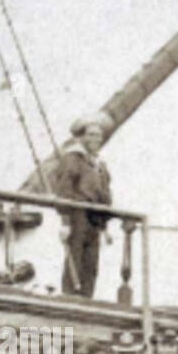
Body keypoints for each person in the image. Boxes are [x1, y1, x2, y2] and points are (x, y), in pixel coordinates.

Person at [56, 115, 112, 297]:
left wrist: (105, 227)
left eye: (99, 135)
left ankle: (87, 297)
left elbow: (104, 193)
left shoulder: (99, 164)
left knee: (91, 262)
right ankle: (69, 297)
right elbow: (64, 190)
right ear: (82, 137)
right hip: (77, 215)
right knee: (75, 258)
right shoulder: (73, 158)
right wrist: (65, 222)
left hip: (95, 218)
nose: (97, 139)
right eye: (92, 135)